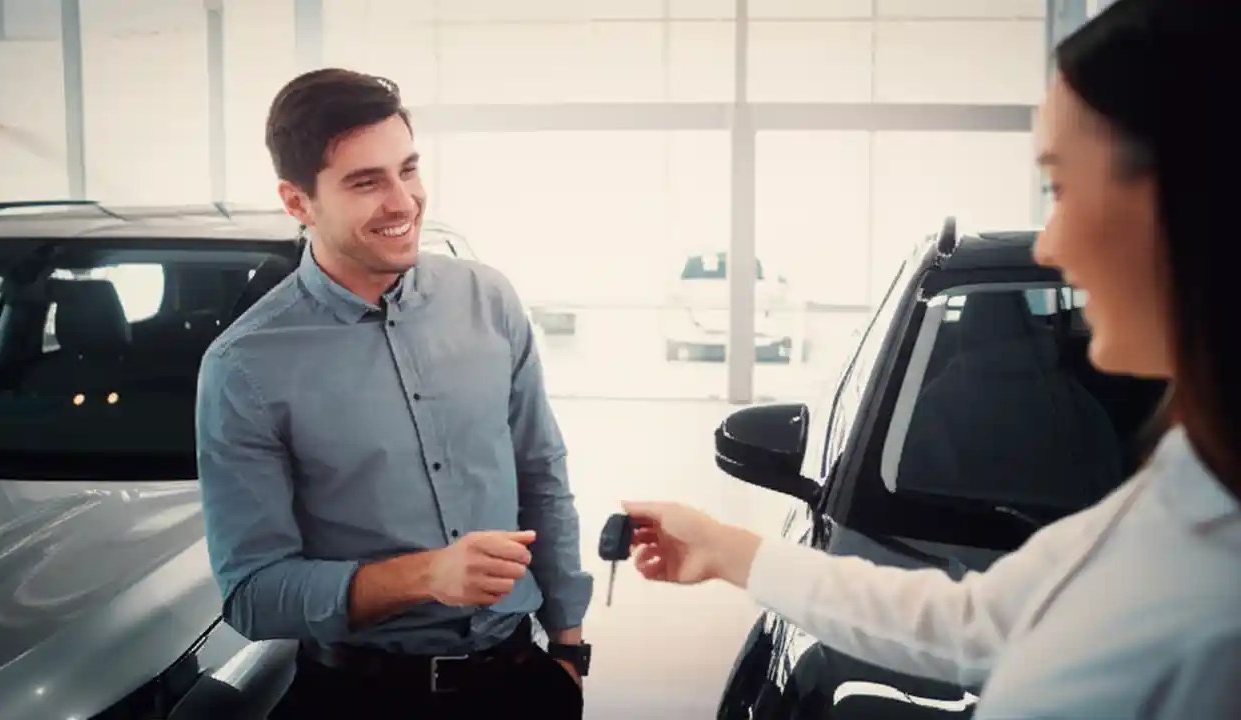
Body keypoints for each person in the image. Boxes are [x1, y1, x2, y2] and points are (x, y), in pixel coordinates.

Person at [623, 0, 1240, 717]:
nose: (1049, 245)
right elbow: (973, 623)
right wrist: (725, 548)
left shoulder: (1218, 598)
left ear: (1185, 201)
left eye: (1063, 189)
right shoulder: (1182, 486)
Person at [196, 69, 592, 718]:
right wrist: (428, 576)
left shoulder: (487, 299)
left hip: (520, 679)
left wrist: (569, 647)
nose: (403, 200)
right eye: (366, 182)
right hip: (361, 697)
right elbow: (252, 593)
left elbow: (540, 472)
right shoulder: (245, 368)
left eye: (407, 169)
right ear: (297, 202)